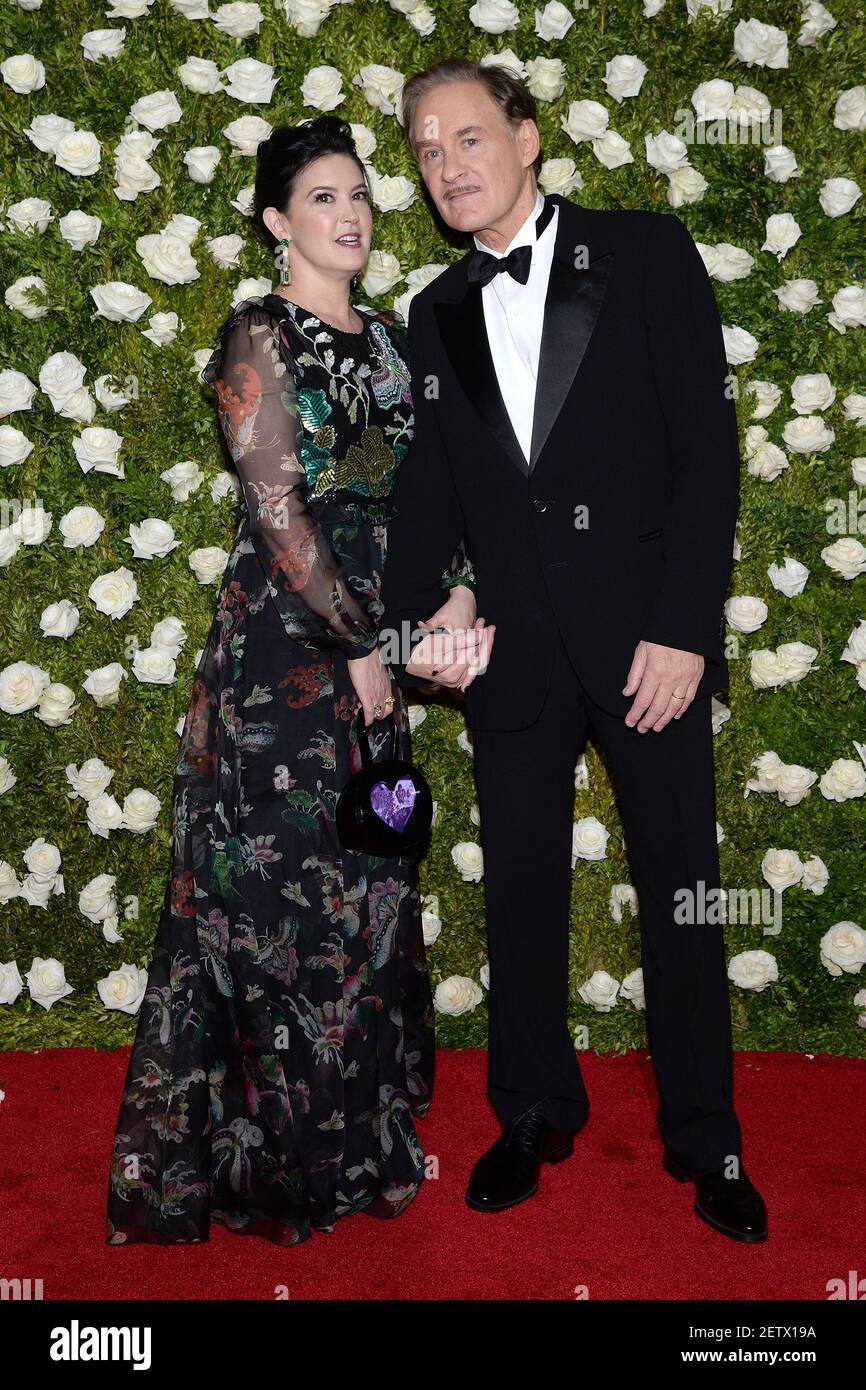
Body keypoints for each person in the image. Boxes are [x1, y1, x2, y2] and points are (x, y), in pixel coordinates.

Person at [379, 58, 768, 1243]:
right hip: (511, 657)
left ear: (527, 135)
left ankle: (708, 1137)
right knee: (523, 893)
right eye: (426, 148)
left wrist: (682, 627)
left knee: (683, 896)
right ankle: (531, 1111)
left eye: (466, 137)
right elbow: (432, 492)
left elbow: (705, 450)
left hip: (647, 645)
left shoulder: (645, 252)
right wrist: (418, 616)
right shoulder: (433, 309)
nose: (447, 163)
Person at [105, 116, 491, 1247]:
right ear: (277, 222)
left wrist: (455, 597)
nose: (351, 212)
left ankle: (360, 1140)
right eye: (322, 198)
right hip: (285, 655)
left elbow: (435, 492)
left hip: (382, 634)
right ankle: (271, 1168)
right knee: (280, 908)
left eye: (359, 194)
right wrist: (364, 647)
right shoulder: (255, 336)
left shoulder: (389, 341)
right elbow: (278, 511)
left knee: (367, 899)